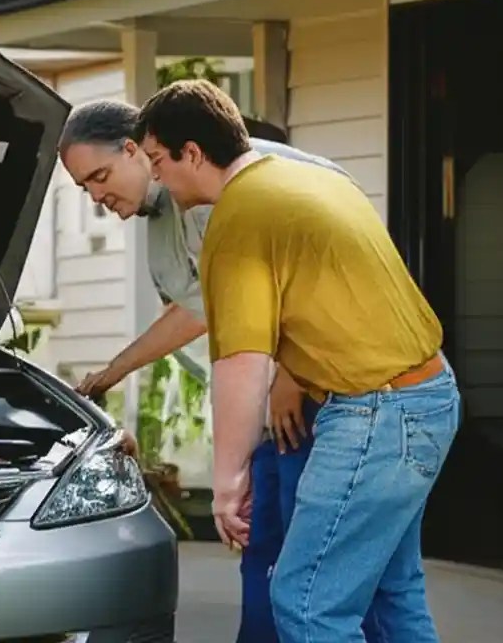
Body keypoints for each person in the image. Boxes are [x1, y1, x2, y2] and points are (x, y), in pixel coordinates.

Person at [136, 79, 459, 643]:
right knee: (393, 593)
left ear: (193, 152)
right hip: (429, 396)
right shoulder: (314, 179)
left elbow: (242, 360)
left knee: (307, 604)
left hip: (376, 413)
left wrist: (228, 479)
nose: (155, 176)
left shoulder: (237, 219)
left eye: (159, 160)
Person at [57, 100, 378, 642]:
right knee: (274, 561)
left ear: (137, 150)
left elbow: (317, 268)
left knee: (307, 576)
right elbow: (199, 308)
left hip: (311, 402)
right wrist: (110, 374)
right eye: (85, 187)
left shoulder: (228, 189)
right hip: (267, 404)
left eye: (100, 176)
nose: (97, 196)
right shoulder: (169, 208)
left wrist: (291, 379)